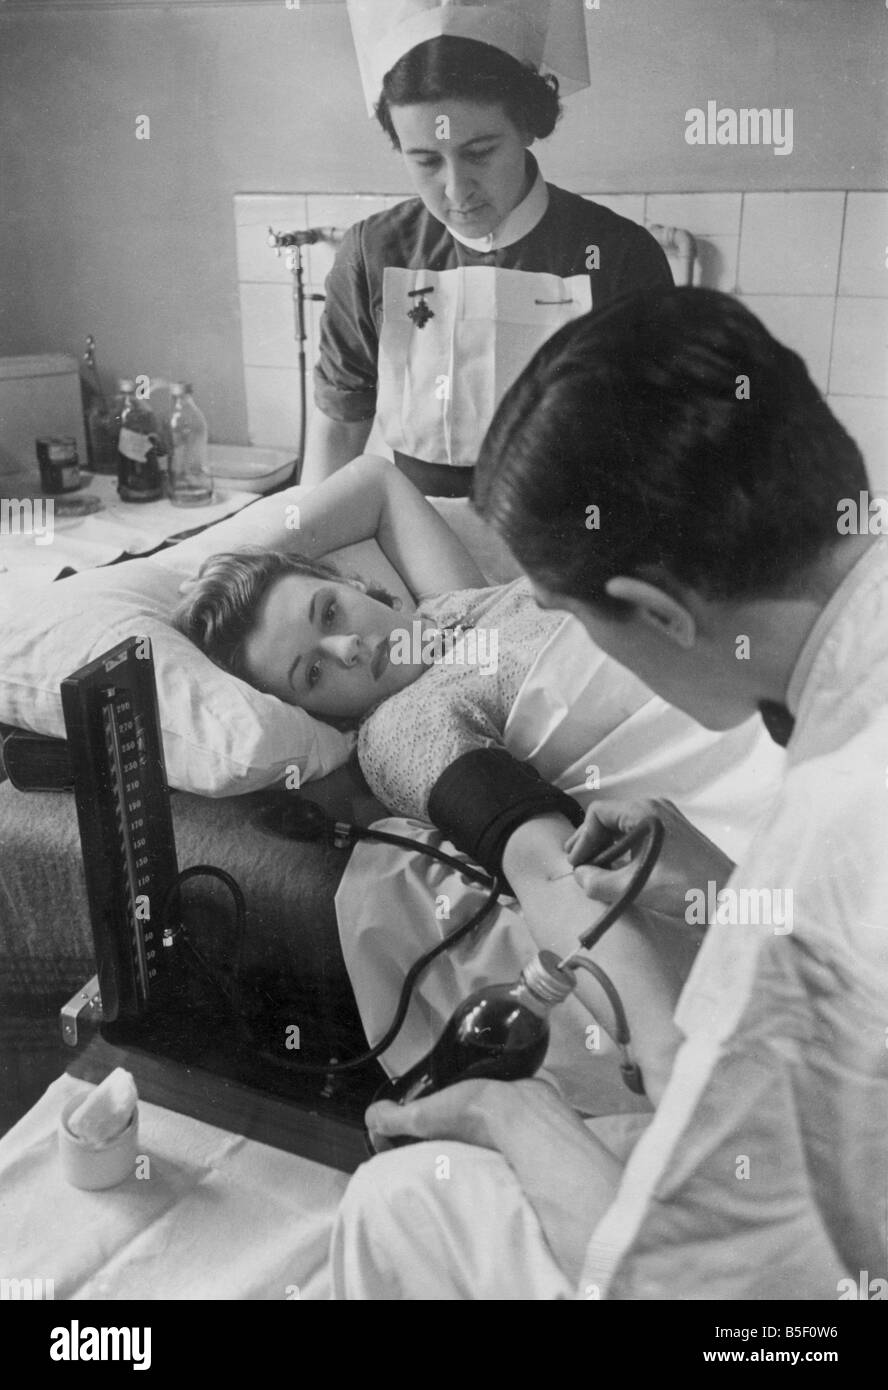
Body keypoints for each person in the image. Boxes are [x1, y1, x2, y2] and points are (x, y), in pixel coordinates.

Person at [327, 286, 888, 1301]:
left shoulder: (829, 846)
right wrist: (714, 877)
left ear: (654, 614)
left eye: (572, 614)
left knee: (402, 1198)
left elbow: (707, 1292)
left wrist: (513, 1116)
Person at [176, 450, 783, 1118]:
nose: (346, 648)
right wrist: (663, 1047)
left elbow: (379, 481)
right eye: (312, 674)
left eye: (328, 611)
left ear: (350, 580)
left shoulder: (455, 607)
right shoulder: (403, 728)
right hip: (750, 764)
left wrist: (210, 556)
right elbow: (543, 864)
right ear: (314, 715)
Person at [303, 0, 672, 495]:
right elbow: (341, 424)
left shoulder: (619, 254)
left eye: (479, 153)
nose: (458, 191)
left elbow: (657, 438)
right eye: (426, 161)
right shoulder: (372, 253)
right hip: (416, 529)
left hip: (572, 537)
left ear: (526, 126)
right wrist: (299, 546)